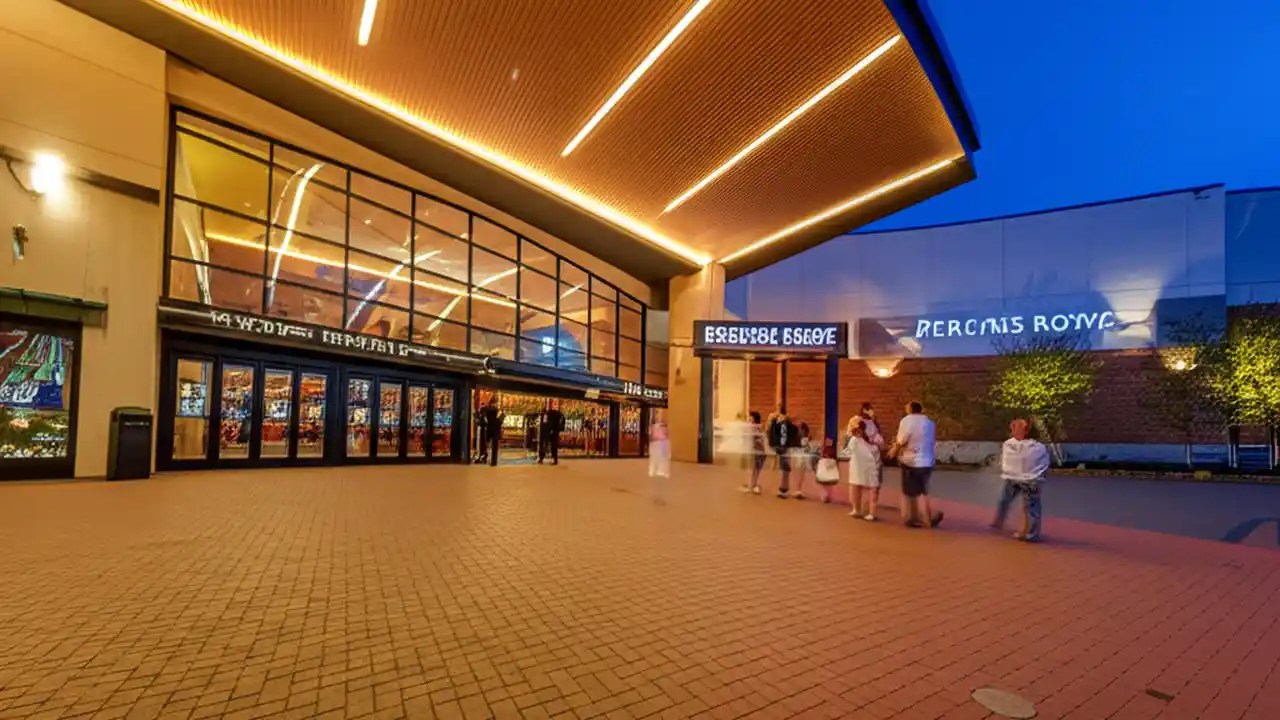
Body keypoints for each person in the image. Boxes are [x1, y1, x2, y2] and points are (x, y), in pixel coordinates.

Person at [994, 418, 1050, 542]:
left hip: (1028, 480)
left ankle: (1031, 534)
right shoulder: (1012, 444)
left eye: (1015, 428)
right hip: (1018, 478)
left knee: (1030, 507)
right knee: (1006, 500)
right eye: (1012, 428)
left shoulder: (1034, 447)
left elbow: (1041, 463)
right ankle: (1000, 521)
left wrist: (1035, 476)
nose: (1012, 431)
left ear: (1024, 431)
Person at [889, 401, 943, 528]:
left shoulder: (907, 421)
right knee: (923, 491)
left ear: (909, 409)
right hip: (927, 461)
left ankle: (910, 517)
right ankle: (927, 518)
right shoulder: (930, 423)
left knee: (909, 491)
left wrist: (894, 451)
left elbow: (902, 439)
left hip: (910, 460)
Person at [846, 420, 881, 520]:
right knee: (868, 489)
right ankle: (866, 511)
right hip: (865, 467)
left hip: (861, 468)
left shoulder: (855, 440)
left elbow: (848, 451)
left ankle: (863, 510)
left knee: (862, 489)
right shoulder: (857, 440)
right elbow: (876, 450)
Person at [767, 407, 800, 499]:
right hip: (781, 446)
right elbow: (772, 434)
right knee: (784, 467)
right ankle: (783, 488)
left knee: (785, 467)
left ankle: (783, 488)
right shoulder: (777, 423)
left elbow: (792, 432)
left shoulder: (785, 423)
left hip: (785, 446)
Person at [739, 411, 766, 495]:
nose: (749, 419)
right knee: (754, 469)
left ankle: (755, 485)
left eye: (751, 417)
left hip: (759, 452)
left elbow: (757, 439)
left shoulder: (756, 428)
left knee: (756, 469)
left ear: (754, 419)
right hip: (756, 451)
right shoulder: (753, 427)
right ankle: (753, 485)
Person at [789, 422, 814, 499]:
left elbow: (808, 448)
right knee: (797, 474)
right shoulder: (798, 438)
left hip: (802, 457)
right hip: (798, 457)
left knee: (800, 474)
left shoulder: (806, 439)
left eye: (802, 430)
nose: (801, 431)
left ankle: (798, 489)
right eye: (800, 429)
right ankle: (798, 489)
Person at [538, 400, 565, 465]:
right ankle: (541, 458)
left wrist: (557, 429)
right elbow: (543, 422)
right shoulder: (544, 413)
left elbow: (561, 421)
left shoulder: (557, 413)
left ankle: (554, 459)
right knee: (543, 444)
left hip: (553, 431)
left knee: (553, 446)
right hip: (545, 431)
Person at [814, 437, 841, 503]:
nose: (829, 442)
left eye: (830, 441)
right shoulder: (822, 449)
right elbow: (819, 457)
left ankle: (828, 496)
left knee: (830, 482)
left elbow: (836, 458)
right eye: (827, 441)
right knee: (824, 482)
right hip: (823, 465)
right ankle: (825, 496)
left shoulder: (834, 449)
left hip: (831, 465)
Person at [480, 399, 502, 466]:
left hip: (490, 430)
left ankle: (488, 459)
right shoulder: (497, 416)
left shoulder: (487, 414)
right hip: (495, 431)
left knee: (488, 446)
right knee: (494, 448)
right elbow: (500, 422)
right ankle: (493, 461)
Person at [648, 413, 670, 478]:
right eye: (657, 417)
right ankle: (655, 471)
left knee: (662, 458)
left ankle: (662, 471)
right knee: (656, 458)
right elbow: (652, 436)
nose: (659, 418)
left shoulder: (663, 426)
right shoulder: (653, 427)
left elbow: (666, 435)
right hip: (657, 443)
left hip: (662, 443)